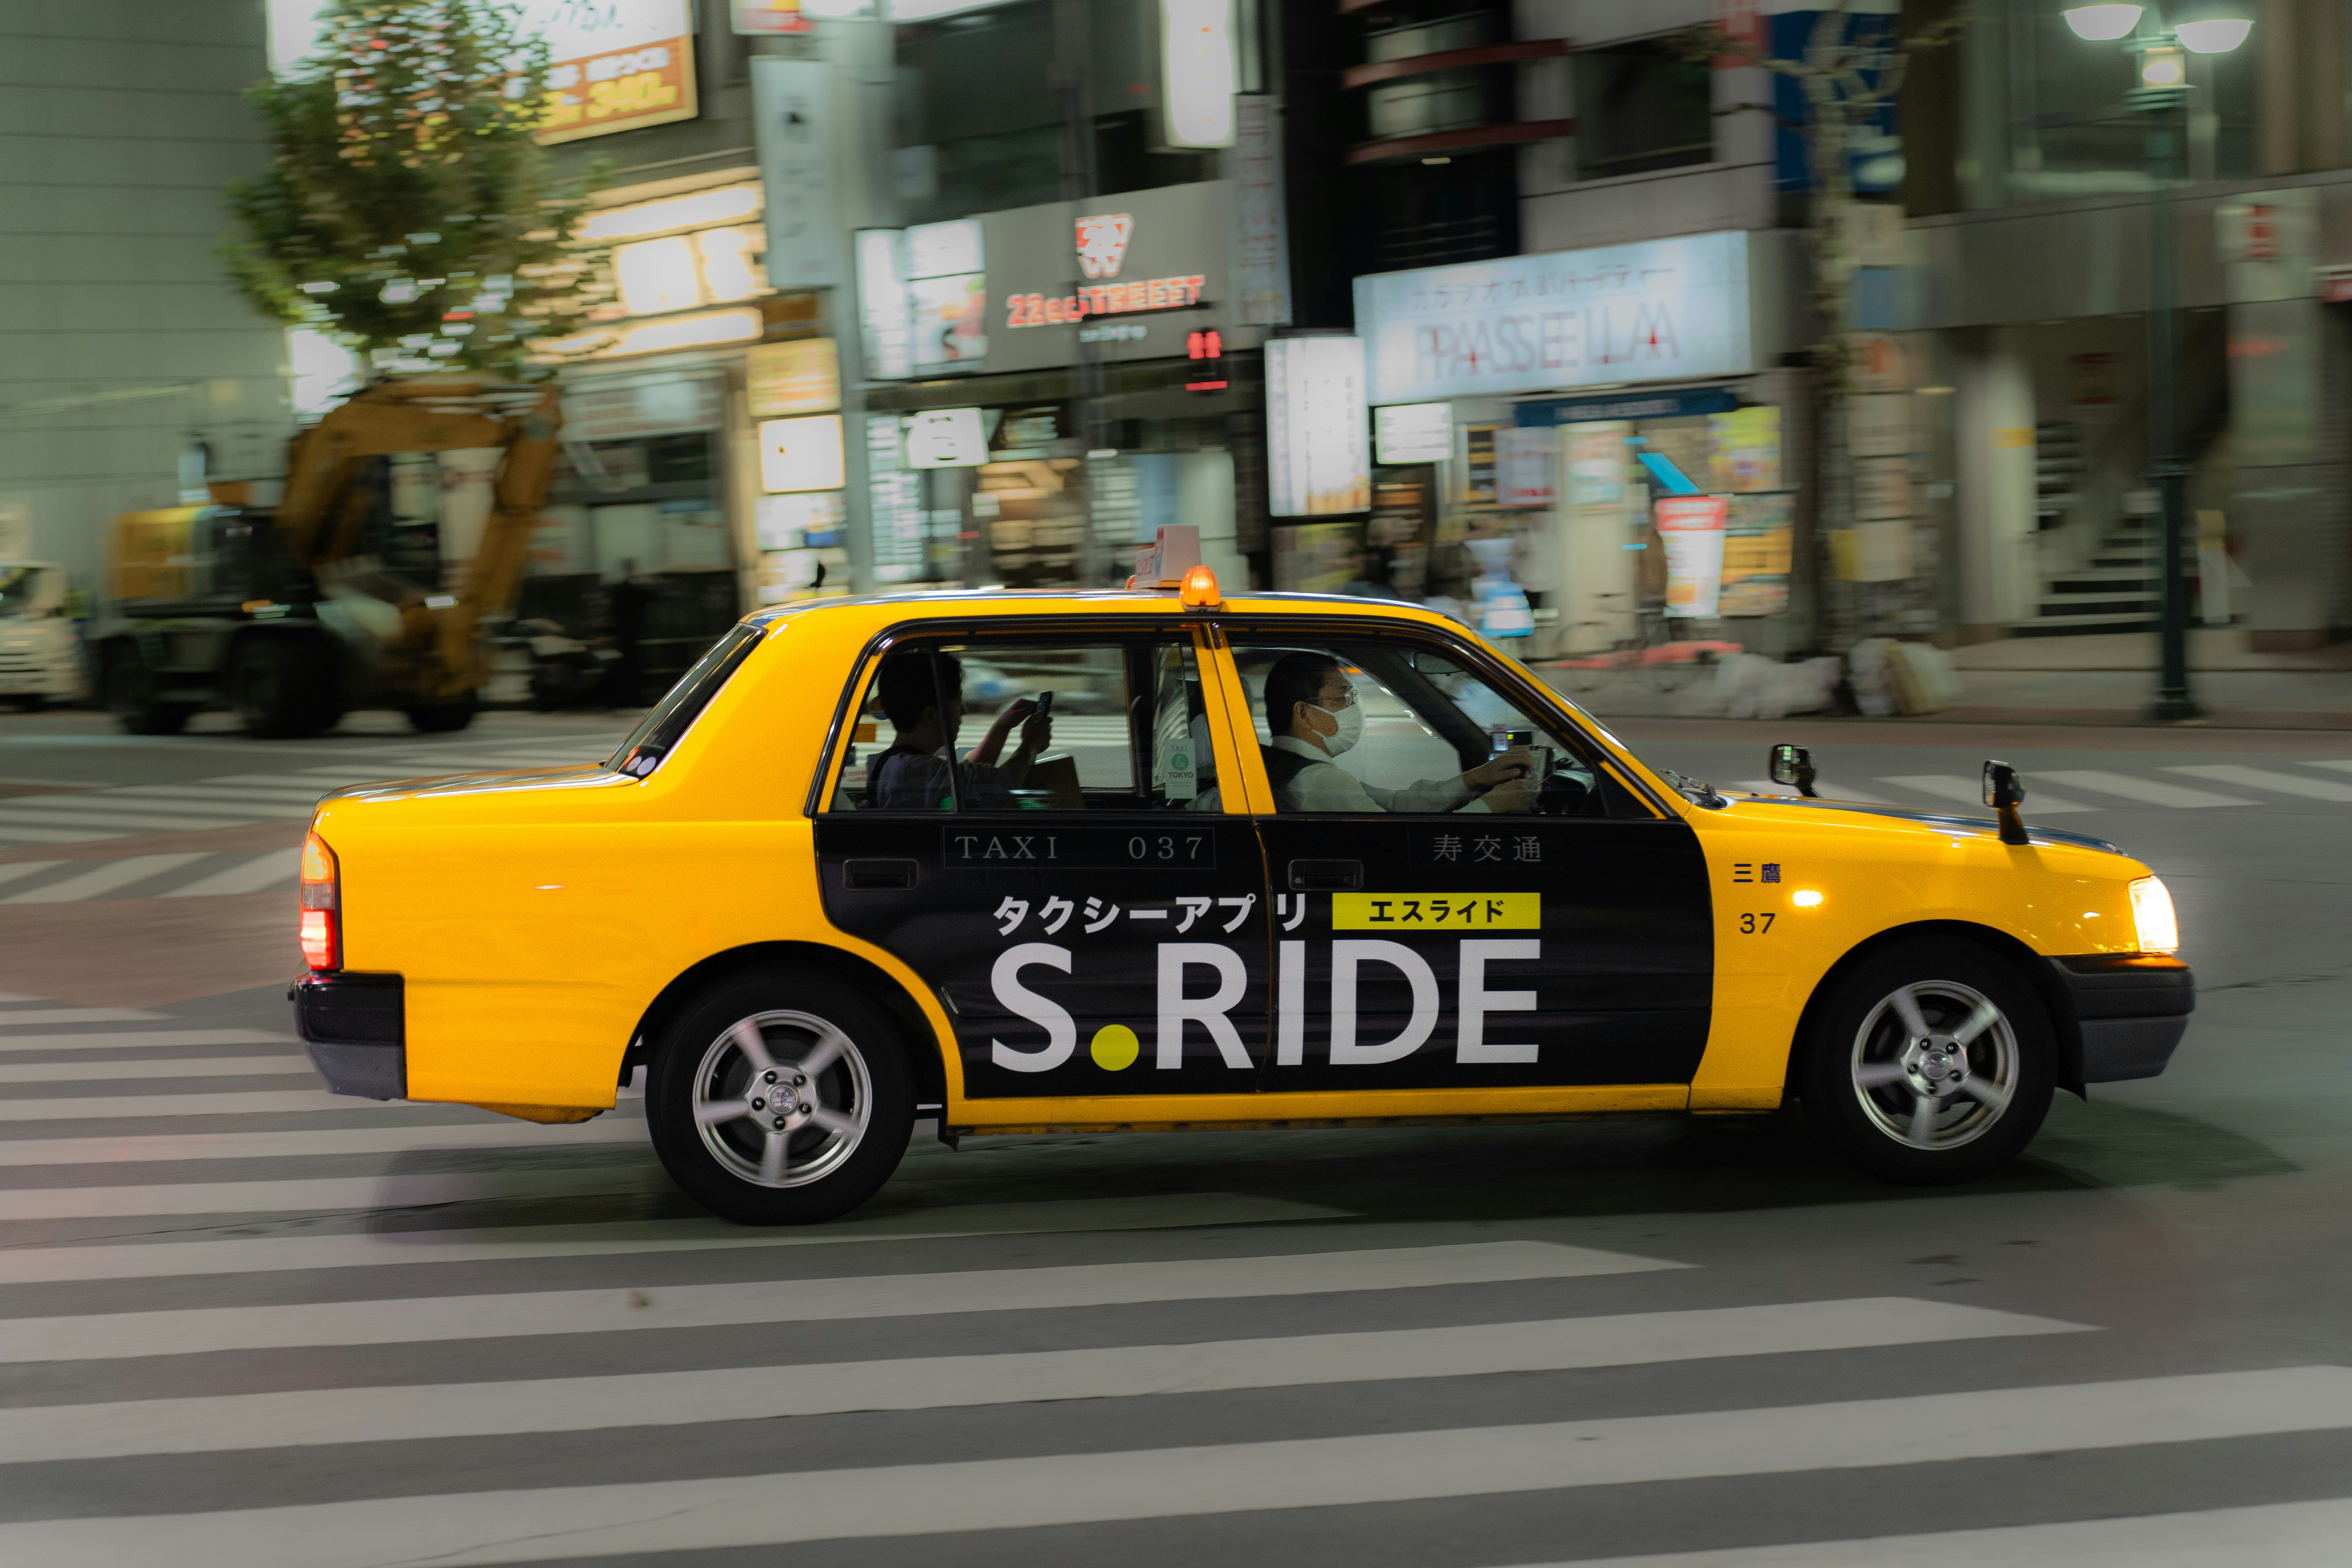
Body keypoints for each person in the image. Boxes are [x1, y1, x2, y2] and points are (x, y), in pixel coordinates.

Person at [1260, 652, 1533, 814]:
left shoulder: (1284, 768)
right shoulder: (1318, 781)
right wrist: (1495, 806)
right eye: (1341, 698)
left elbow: (1392, 804)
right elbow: (1405, 844)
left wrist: (1474, 778)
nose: (1351, 708)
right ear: (1303, 714)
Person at [866, 649, 1052, 810]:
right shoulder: (912, 771)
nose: (964, 710)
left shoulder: (897, 764)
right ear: (930, 715)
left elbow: (964, 780)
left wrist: (1001, 728)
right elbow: (997, 786)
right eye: (957, 702)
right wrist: (1030, 746)